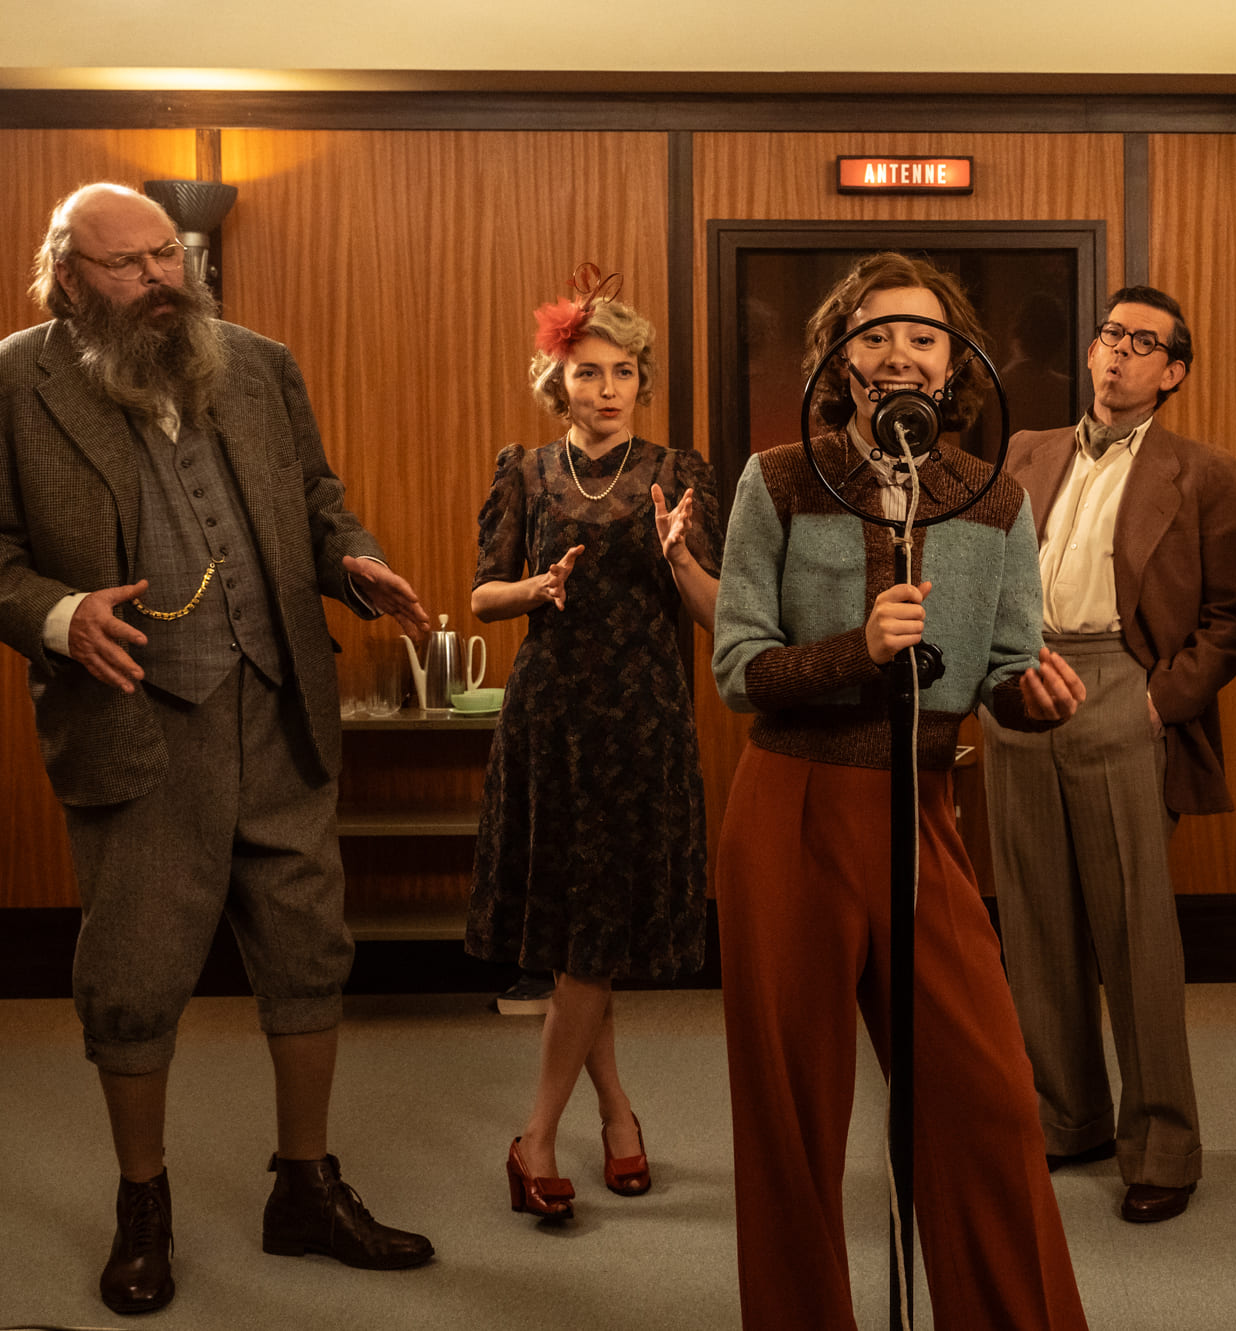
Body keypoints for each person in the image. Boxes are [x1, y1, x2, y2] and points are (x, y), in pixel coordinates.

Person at [0, 183, 434, 1315]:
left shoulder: (257, 364)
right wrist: (58, 615)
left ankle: (307, 1187)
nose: (160, 279)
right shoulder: (13, 382)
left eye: (168, 256)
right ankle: (143, 1203)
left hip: (279, 705)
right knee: (133, 977)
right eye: (129, 264)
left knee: (309, 951)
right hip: (134, 721)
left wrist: (354, 562)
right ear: (67, 279)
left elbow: (317, 501)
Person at [711, 251, 1090, 1330]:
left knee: (990, 1099)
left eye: (923, 336)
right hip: (789, 810)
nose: (898, 353)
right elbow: (738, 667)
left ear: (954, 363)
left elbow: (1005, 665)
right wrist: (855, 648)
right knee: (794, 1119)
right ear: (839, 359)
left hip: (923, 814)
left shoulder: (996, 498)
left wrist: (1031, 696)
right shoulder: (778, 478)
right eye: (873, 333)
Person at [981, 284, 1236, 1224]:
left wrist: (1155, 700)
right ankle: (1067, 1119)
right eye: (1110, 335)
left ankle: (1163, 1146)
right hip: (1024, 677)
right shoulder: (1026, 451)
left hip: (1121, 684)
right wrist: (998, 667)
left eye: (1143, 344)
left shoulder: (1201, 471)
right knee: (1034, 924)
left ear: (1172, 372)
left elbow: (1231, 617)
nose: (1118, 353)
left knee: (1136, 934)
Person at [464, 268, 720, 1222]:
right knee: (586, 937)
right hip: (552, 721)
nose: (606, 389)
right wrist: (538, 587)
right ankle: (605, 1118)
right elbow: (483, 596)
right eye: (587, 373)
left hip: (643, 721)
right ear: (558, 382)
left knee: (593, 937)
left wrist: (679, 555)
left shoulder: (677, 475)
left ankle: (539, 1133)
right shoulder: (526, 472)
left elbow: (716, 614)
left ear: (641, 379)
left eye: (622, 372)